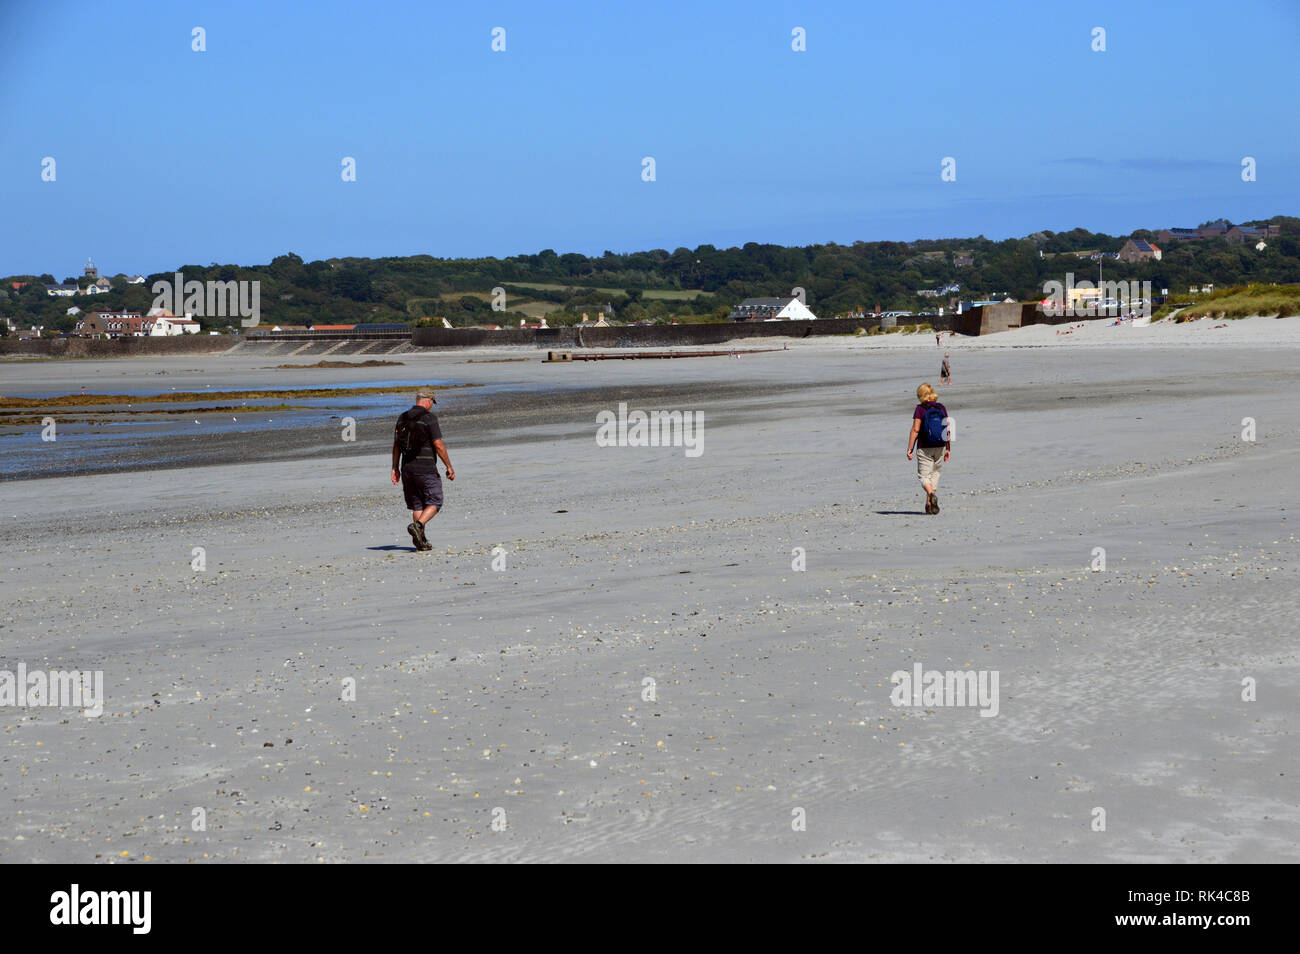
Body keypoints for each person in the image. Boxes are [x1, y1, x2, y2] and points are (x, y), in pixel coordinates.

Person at [391, 386, 455, 550]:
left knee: (417, 505)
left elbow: (396, 445)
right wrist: (448, 466)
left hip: (407, 469)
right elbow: (438, 445)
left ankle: (421, 541)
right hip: (425, 468)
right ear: (428, 400)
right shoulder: (429, 418)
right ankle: (418, 526)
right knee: (435, 500)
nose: (432, 405)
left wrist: (395, 468)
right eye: (433, 402)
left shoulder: (402, 417)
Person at [906, 383, 951, 515]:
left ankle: (931, 494)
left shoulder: (920, 409)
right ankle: (929, 505)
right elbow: (948, 429)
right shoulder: (941, 407)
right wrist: (948, 448)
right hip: (940, 445)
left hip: (924, 446)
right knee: (935, 474)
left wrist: (909, 448)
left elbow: (915, 429)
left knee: (924, 476)